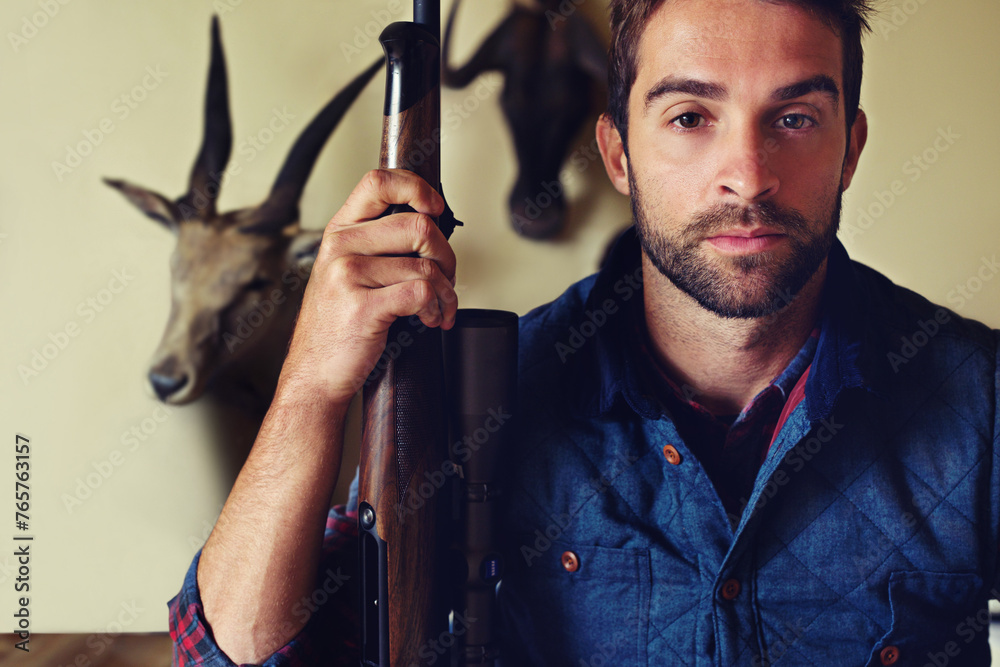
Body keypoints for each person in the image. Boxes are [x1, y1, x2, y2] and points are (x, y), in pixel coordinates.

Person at [170, 0, 1000, 665]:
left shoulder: (981, 401)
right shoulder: (484, 401)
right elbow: (228, 654)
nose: (747, 176)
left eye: (795, 118)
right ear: (618, 153)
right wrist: (311, 384)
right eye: (690, 117)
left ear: (851, 150)